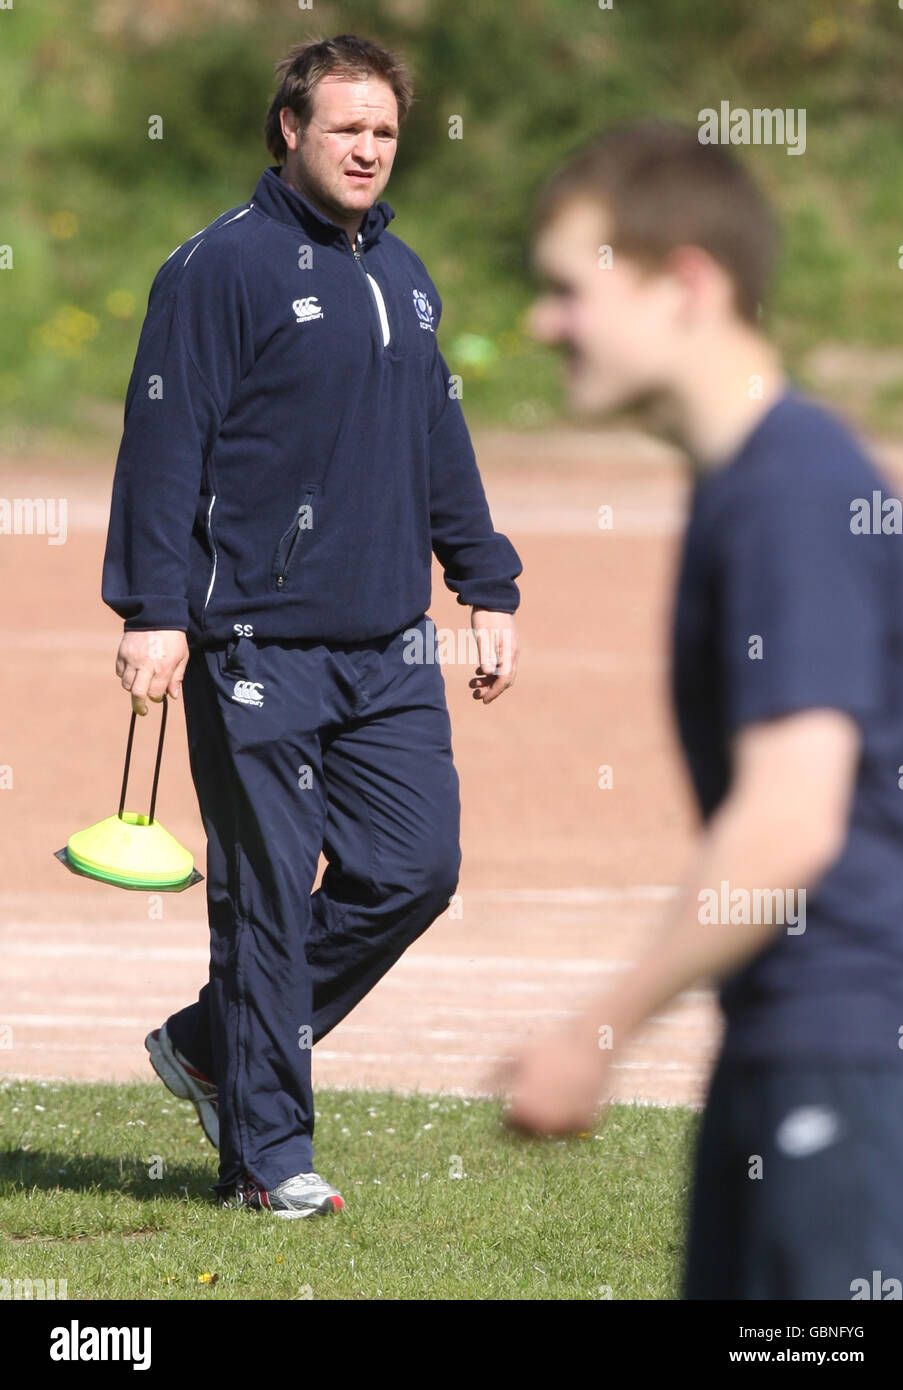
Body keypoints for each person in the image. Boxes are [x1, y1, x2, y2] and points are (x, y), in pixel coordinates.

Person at [102, 34, 522, 1219]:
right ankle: (270, 1160)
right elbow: (164, 444)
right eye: (347, 128)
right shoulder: (215, 270)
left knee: (411, 868)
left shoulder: (408, 275)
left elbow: (434, 437)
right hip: (252, 650)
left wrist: (482, 581)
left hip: (389, 649)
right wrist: (152, 608)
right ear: (289, 130)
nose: (368, 150)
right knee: (268, 903)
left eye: (384, 131)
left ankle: (206, 1043)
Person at [502, 121, 903, 1299]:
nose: (542, 324)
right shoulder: (754, 482)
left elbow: (788, 825)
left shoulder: (791, 491)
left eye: (567, 288)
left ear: (685, 280)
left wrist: (598, 1029)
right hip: (788, 1044)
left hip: (845, 1051)